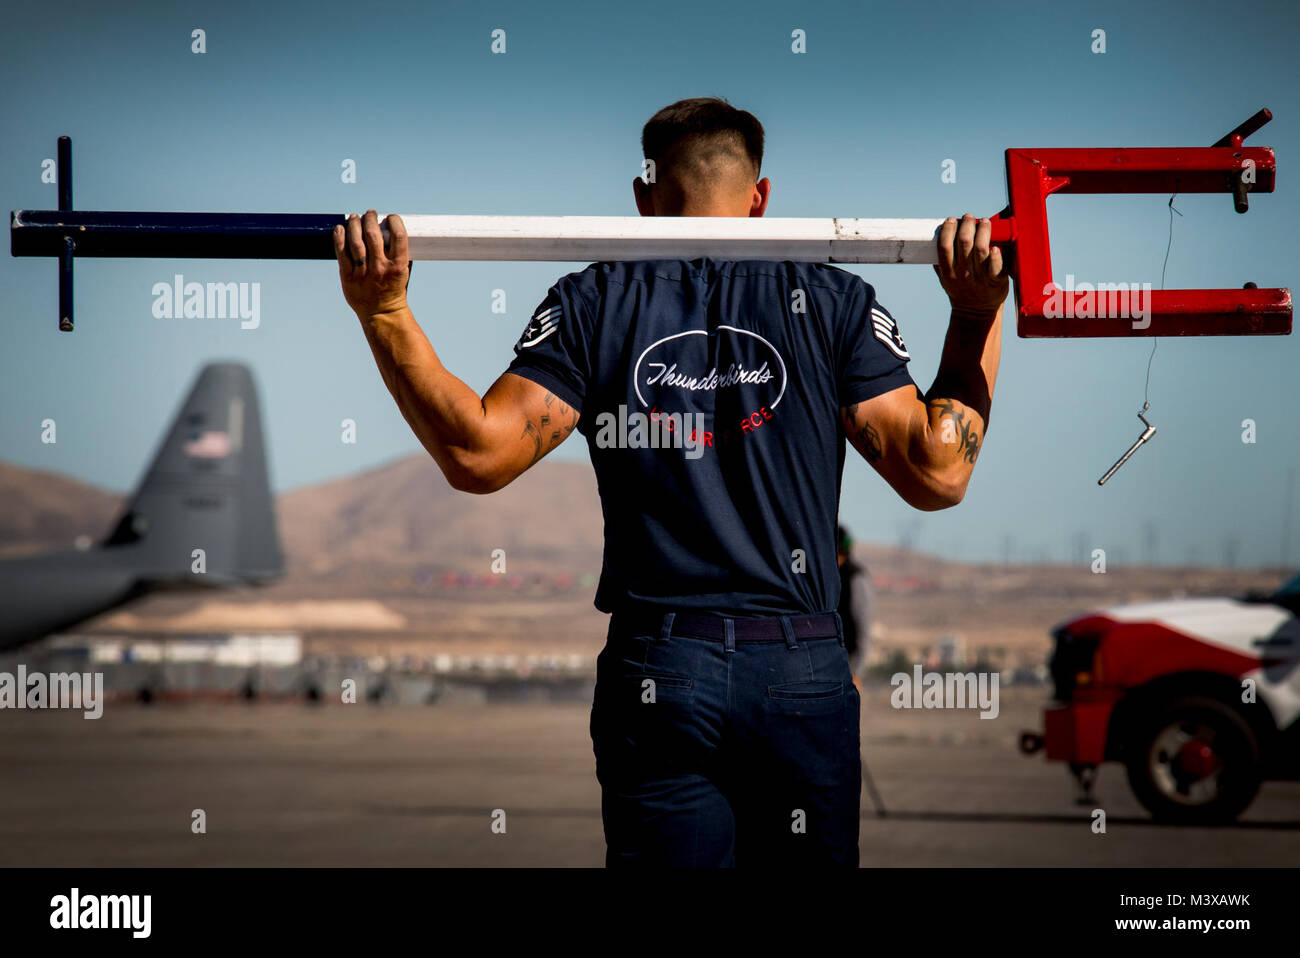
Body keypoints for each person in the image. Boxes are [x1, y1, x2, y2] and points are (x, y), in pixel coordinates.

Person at [333, 97, 1006, 867]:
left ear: (644, 197)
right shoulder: (832, 303)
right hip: (796, 667)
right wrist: (977, 314)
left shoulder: (597, 302)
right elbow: (939, 472)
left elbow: (477, 454)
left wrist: (386, 312)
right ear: (761, 200)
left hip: (662, 667)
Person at [836, 524, 873, 688]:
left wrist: (858, 670)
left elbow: (863, 624)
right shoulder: (829, 575)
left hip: (849, 661)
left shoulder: (855, 577)